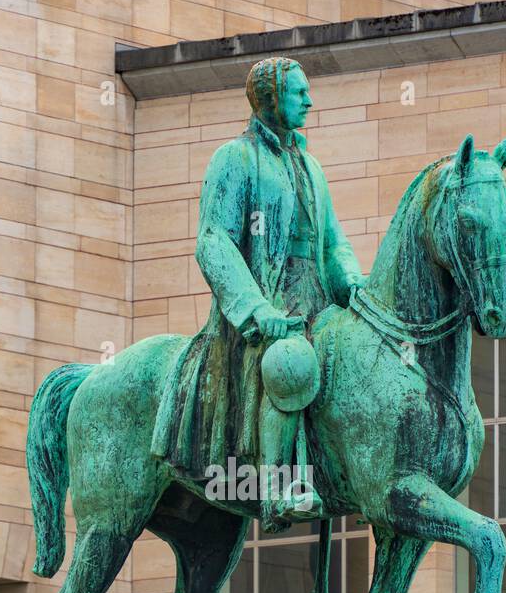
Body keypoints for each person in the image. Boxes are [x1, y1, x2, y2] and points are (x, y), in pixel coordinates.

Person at [151, 56, 365, 531]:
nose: (309, 100)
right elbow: (214, 240)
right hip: (268, 300)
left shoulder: (311, 166)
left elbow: (333, 243)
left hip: (318, 297)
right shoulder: (235, 158)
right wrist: (255, 309)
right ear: (270, 98)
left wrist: (353, 280)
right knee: (290, 360)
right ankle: (273, 490)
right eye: (298, 92)